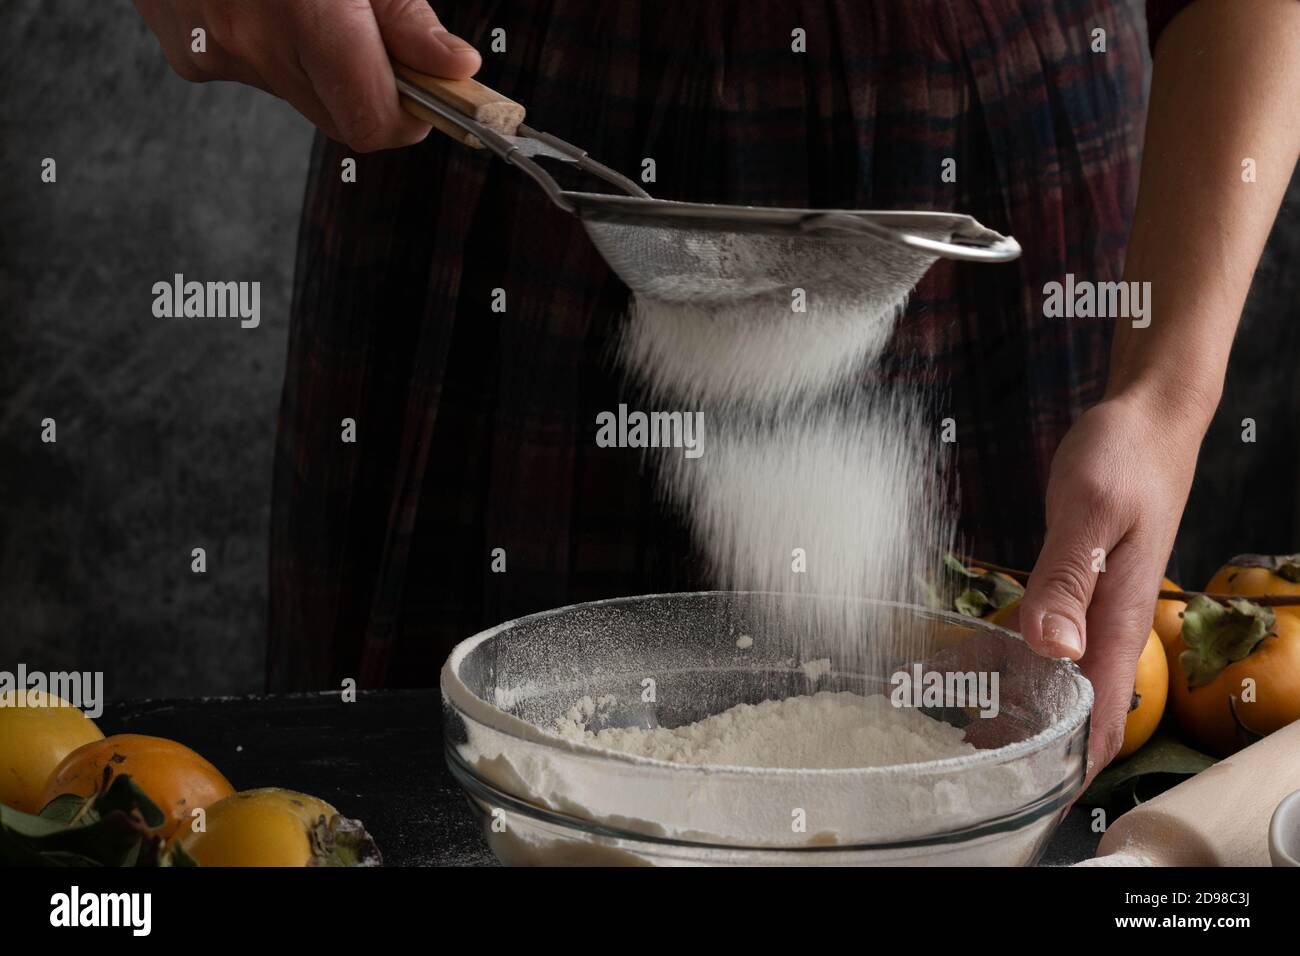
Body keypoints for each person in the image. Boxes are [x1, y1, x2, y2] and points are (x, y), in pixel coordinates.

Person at [133, 0, 1300, 779]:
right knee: (440, 794)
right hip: (490, 154)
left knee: (963, 771)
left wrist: (1163, 394)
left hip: (981, 157)